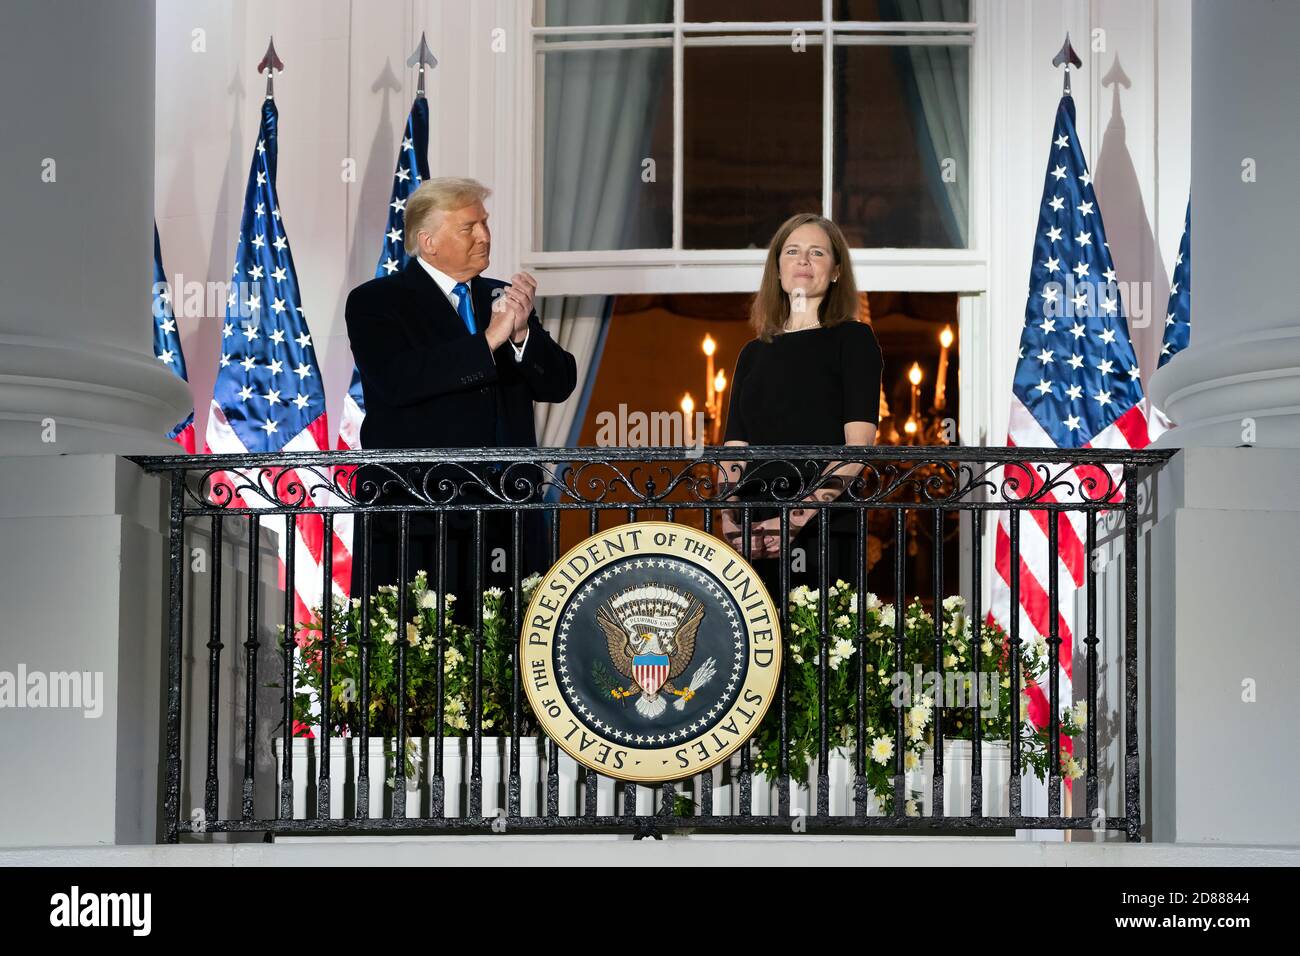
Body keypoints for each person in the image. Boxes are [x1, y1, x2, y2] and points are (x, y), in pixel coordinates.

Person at [344, 177, 577, 602]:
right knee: (422, 658)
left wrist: (522, 333)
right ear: (428, 241)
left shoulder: (501, 298)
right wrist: (488, 341)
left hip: (508, 514)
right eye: (469, 227)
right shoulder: (376, 301)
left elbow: (559, 383)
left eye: (485, 224)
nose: (484, 236)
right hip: (419, 516)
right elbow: (398, 381)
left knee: (508, 651)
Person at [719, 213, 883, 600]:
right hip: (755, 528)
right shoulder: (753, 353)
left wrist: (793, 519)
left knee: (819, 653)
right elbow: (733, 448)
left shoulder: (854, 340)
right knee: (759, 650)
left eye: (817, 252)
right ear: (777, 270)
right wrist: (729, 516)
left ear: (837, 271)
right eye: (792, 251)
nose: (803, 261)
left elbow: (858, 447)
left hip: (825, 525)